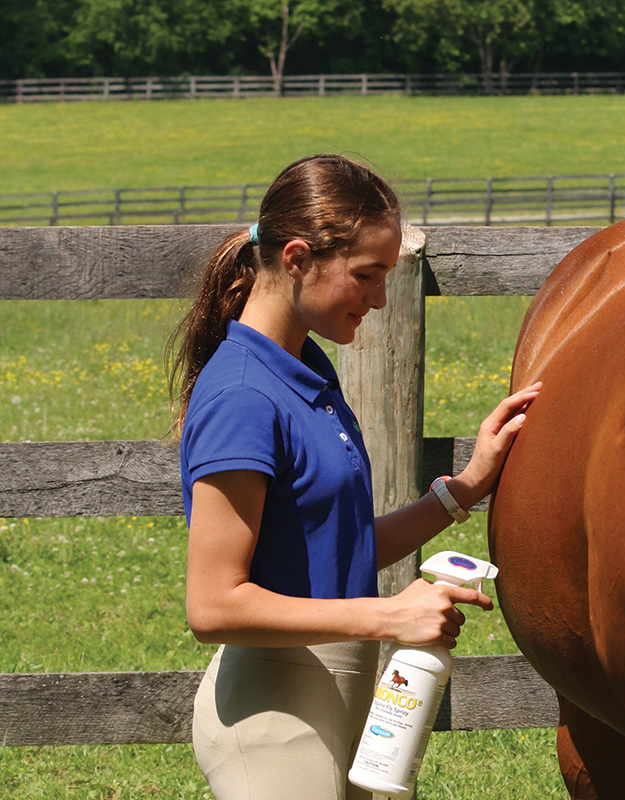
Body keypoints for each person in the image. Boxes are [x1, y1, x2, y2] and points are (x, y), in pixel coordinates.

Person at [168, 153, 540, 800]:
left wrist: (464, 490)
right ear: (295, 259)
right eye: (367, 275)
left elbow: (337, 543)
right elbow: (213, 604)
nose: (381, 297)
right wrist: (389, 617)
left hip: (337, 697)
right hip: (272, 715)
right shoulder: (243, 397)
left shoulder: (305, 370)